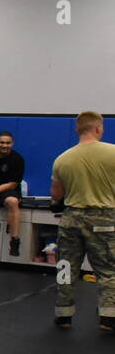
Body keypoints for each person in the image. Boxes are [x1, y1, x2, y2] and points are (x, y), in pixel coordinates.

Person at [50, 111, 115, 331]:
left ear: (78, 130)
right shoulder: (113, 152)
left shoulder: (62, 159)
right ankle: (108, 318)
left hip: (71, 219)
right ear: (98, 128)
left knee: (65, 267)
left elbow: (56, 195)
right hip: (104, 219)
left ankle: (63, 315)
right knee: (109, 270)